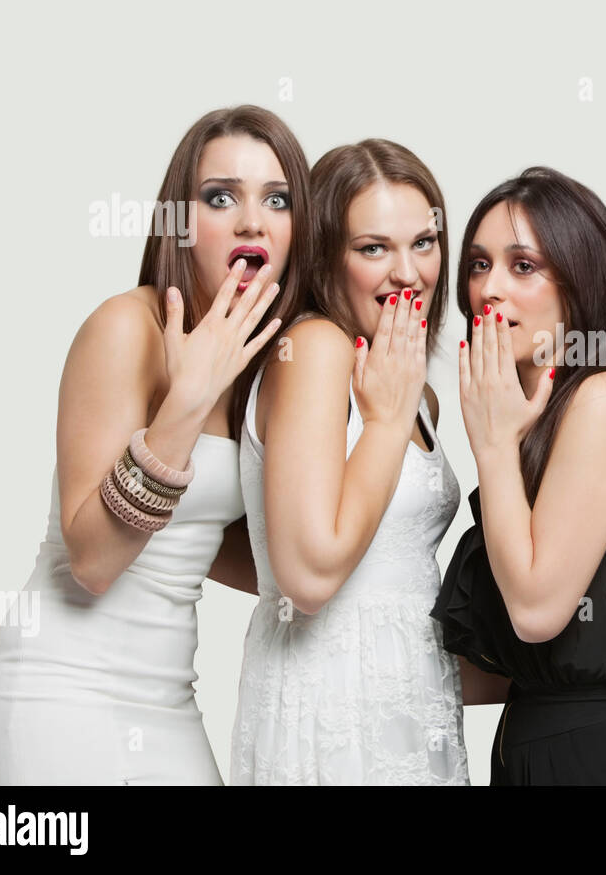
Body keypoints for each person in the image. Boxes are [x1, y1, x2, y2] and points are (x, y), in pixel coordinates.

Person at [0, 105, 305, 784]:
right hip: (55, 693)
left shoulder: (262, 362)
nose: (251, 221)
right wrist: (183, 404)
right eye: (220, 197)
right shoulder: (127, 326)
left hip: (168, 705)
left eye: (276, 199)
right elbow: (92, 559)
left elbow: (234, 550)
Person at [431, 167, 606, 785]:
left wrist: (494, 445)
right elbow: (518, 651)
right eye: (478, 265)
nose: (489, 289)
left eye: (522, 265)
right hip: (540, 746)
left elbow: (536, 611)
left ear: (578, 281)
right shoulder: (541, 420)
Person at [231, 139, 468, 785]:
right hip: (333, 704)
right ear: (326, 258)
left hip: (415, 707)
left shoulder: (413, 394)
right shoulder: (313, 349)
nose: (408, 272)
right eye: (374, 248)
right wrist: (387, 424)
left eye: (423, 243)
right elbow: (307, 576)